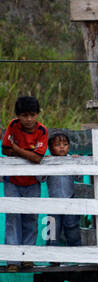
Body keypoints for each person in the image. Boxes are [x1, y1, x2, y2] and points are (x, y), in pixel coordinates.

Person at [2, 96, 49, 248]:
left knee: (31, 217)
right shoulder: (13, 125)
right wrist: (27, 153)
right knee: (12, 217)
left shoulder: (42, 131)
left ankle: (28, 255)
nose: (29, 119)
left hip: (32, 181)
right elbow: (5, 149)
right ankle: (13, 260)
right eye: (24, 115)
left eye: (32, 115)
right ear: (18, 116)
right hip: (13, 180)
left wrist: (16, 148)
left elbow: (37, 158)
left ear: (37, 114)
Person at [43, 131, 81, 247]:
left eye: (65, 145)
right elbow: (41, 178)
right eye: (57, 145)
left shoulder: (71, 160)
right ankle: (52, 258)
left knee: (72, 228)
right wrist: (45, 163)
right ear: (50, 148)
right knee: (52, 231)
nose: (62, 147)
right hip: (53, 202)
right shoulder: (49, 161)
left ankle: (77, 255)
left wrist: (76, 163)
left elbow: (79, 177)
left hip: (70, 200)